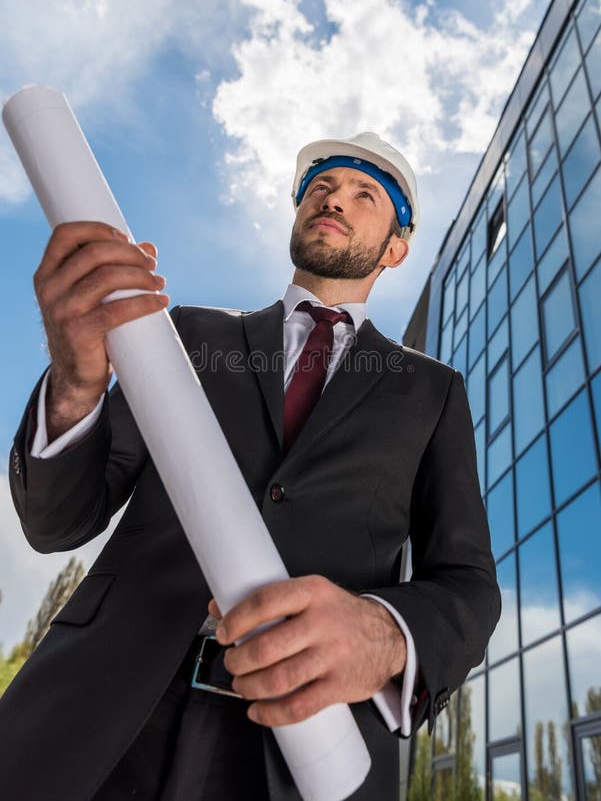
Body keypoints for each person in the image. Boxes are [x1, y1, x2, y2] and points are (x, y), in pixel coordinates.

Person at [1, 132, 501, 801]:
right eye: (320, 187)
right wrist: (73, 382)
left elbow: (466, 580)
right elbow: (59, 521)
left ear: (394, 249)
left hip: (303, 746)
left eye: (363, 195)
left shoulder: (431, 390)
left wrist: (382, 635)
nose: (333, 200)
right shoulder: (187, 337)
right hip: (97, 710)